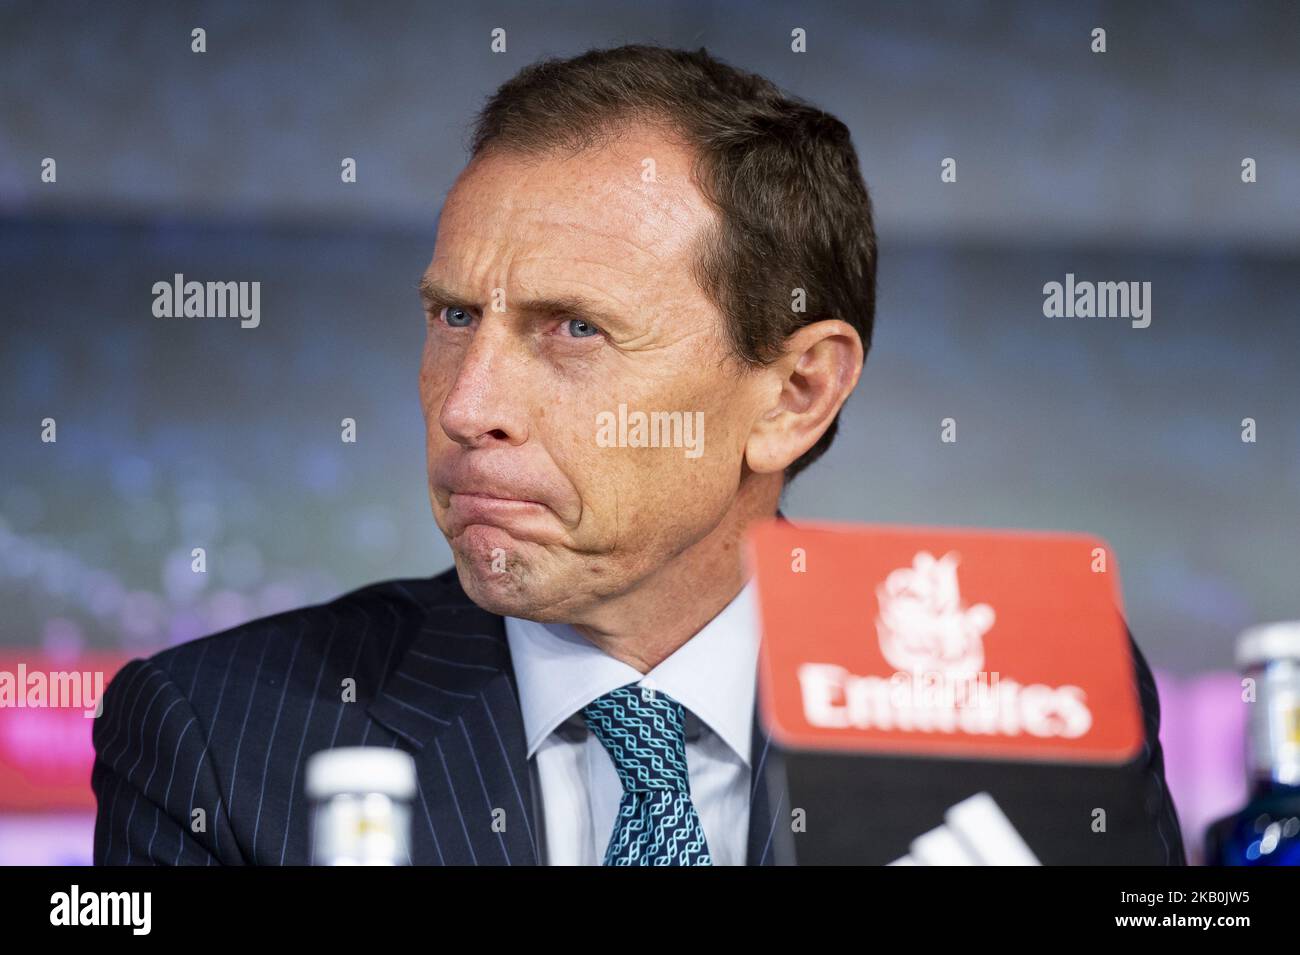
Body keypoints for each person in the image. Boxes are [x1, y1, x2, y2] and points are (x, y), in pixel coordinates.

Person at [92, 44, 1183, 866]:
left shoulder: (1025, 703)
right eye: (456, 316)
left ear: (795, 393)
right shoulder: (216, 738)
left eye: (575, 328)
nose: (469, 405)